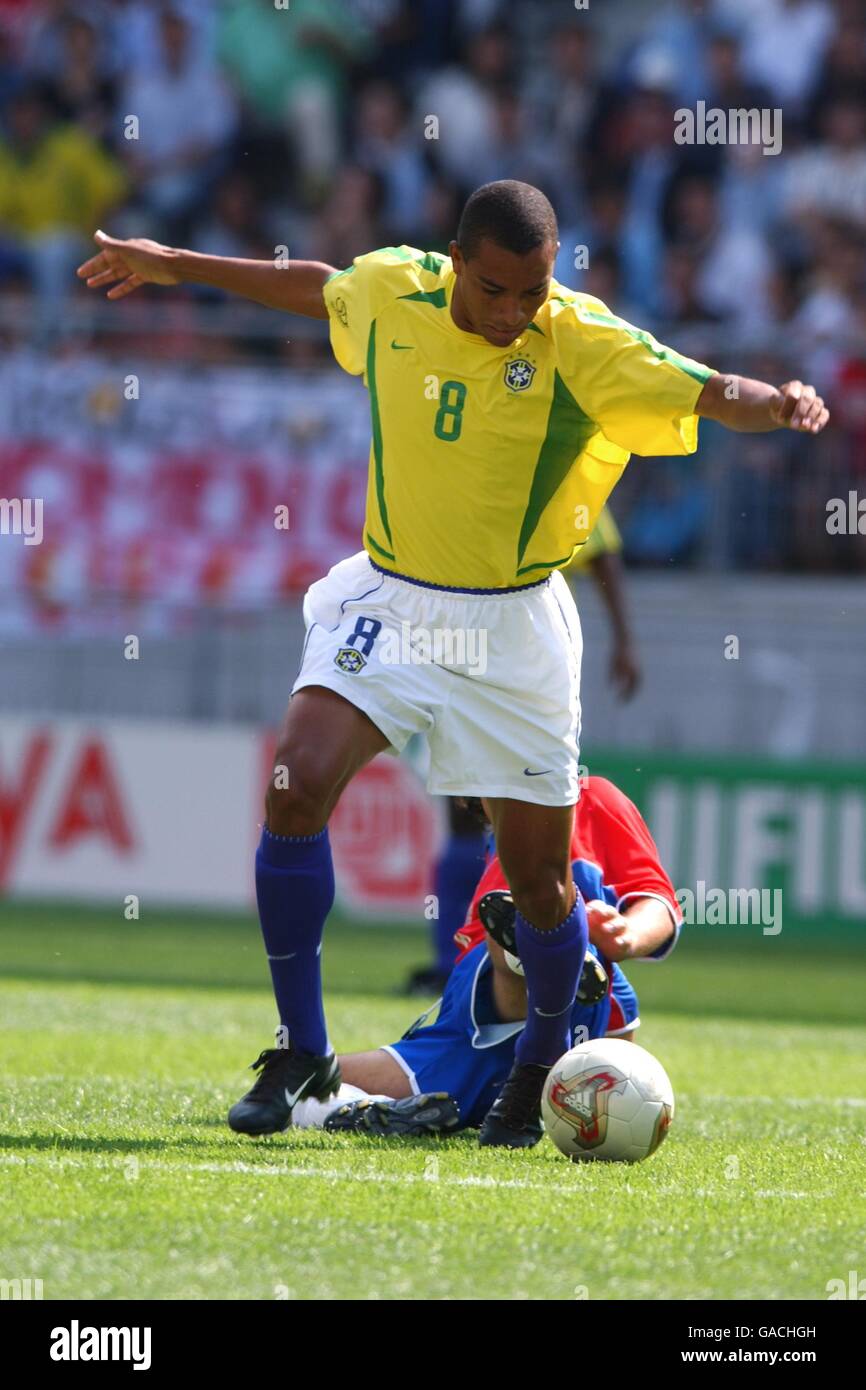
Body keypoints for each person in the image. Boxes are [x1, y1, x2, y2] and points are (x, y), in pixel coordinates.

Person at [77, 178, 829, 1149]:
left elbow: (699, 386)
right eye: (494, 290)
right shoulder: (397, 290)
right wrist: (171, 263)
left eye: (533, 291)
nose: (514, 313)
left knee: (539, 885)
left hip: (513, 631)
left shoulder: (579, 340)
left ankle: (534, 1069)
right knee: (294, 786)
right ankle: (300, 1048)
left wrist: (776, 400)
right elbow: (315, 286)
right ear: (455, 261)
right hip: (391, 600)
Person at [293, 775, 679, 1143]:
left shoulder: (591, 798)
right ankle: (530, 950)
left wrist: (626, 935)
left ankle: (533, 950)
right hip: (484, 1017)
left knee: (305, 1085)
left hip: (538, 1003)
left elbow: (656, 899)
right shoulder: (495, 844)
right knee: (298, 1084)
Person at [406, 503, 639, 999]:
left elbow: (602, 556)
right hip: (460, 659)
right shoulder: (466, 473)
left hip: (532, 670)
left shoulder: (559, 477)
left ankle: (544, 954)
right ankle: (459, 961)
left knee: (530, 811)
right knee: (467, 810)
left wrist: (624, 641)